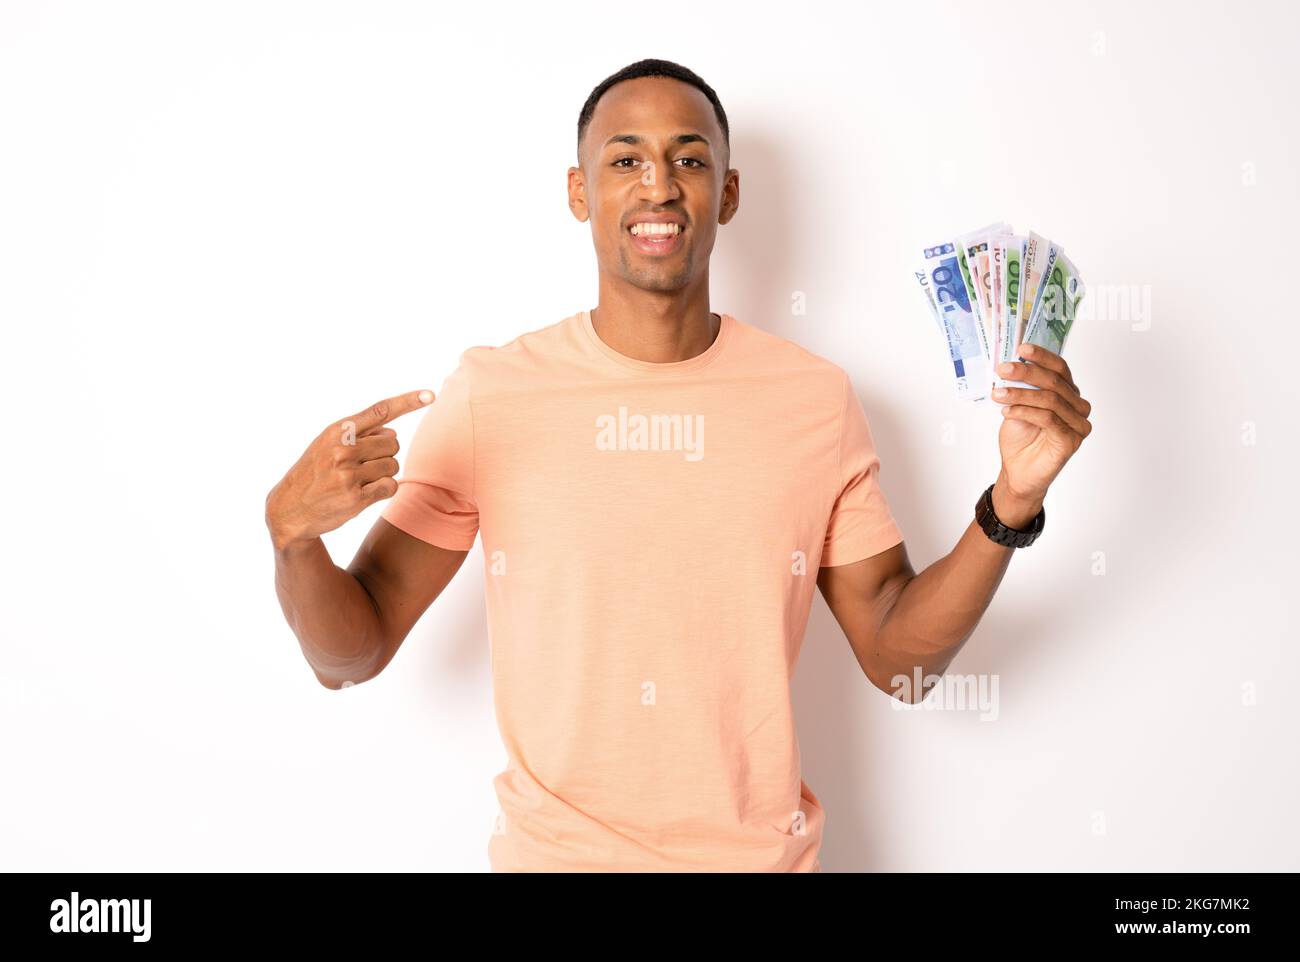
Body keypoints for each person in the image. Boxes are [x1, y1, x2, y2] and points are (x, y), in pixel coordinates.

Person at [264, 58, 1093, 872]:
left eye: (689, 159)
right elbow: (352, 655)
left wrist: (1011, 503)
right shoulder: (493, 395)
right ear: (578, 192)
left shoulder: (813, 400)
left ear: (727, 194)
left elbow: (899, 665)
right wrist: (294, 540)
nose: (658, 185)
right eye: (625, 159)